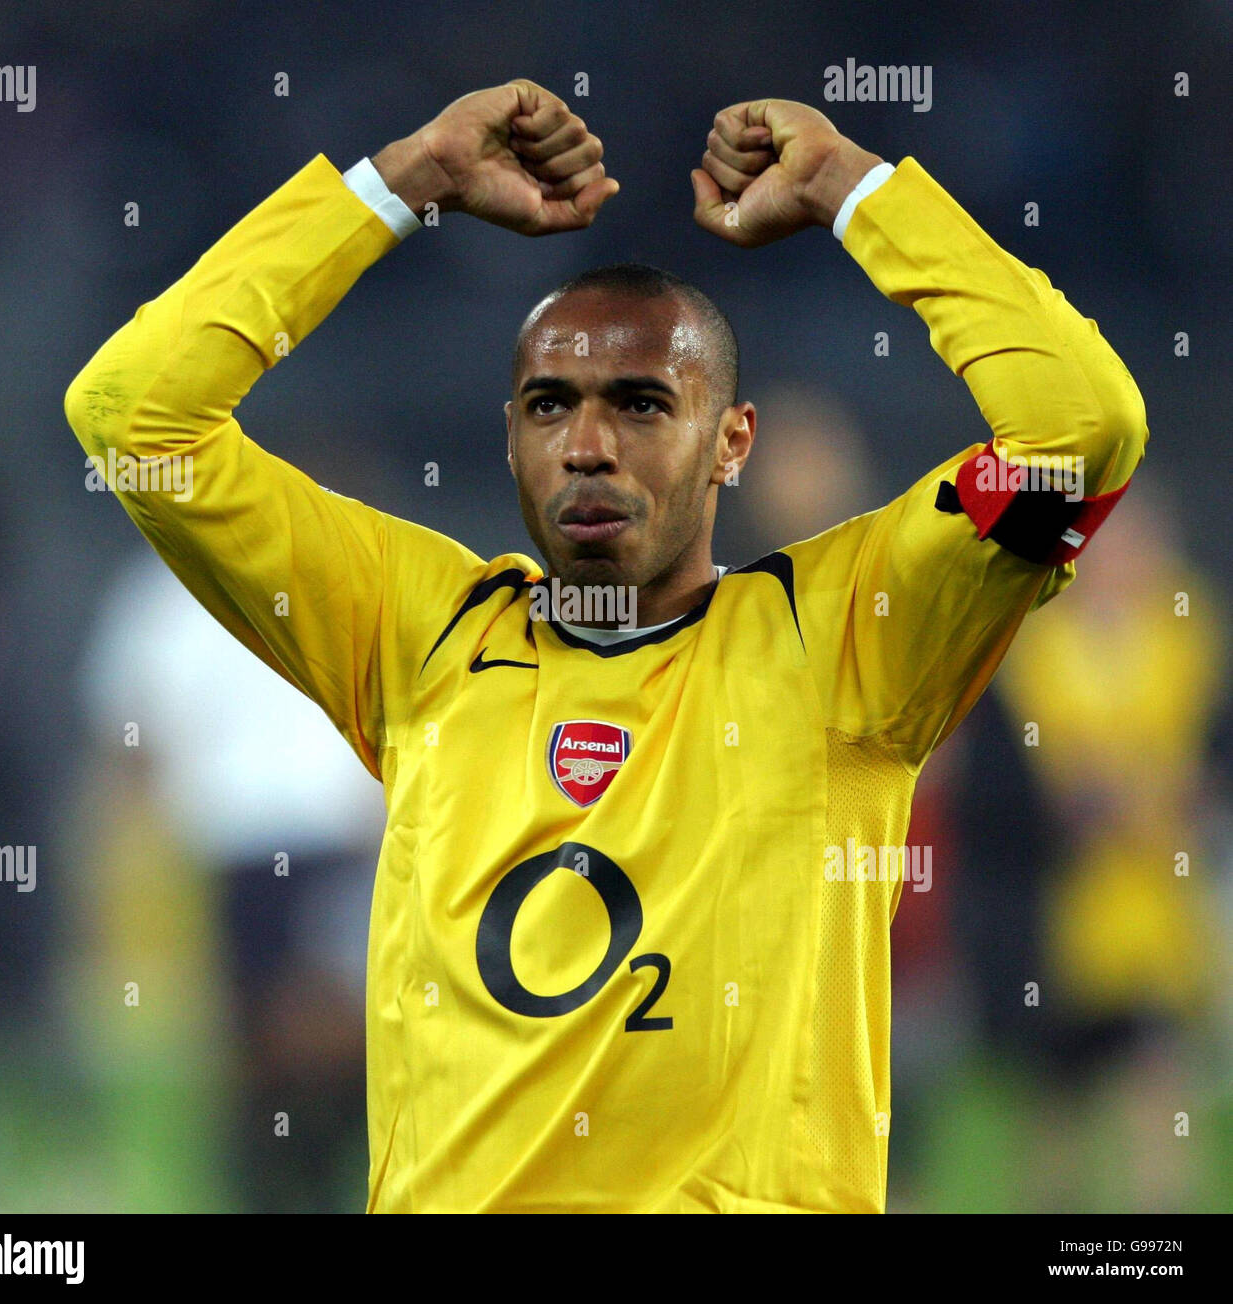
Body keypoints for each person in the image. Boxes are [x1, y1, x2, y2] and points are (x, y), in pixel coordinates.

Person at [64, 79, 1148, 1213]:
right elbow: (132, 413)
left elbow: (1083, 427)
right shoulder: (416, 631)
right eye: (548, 405)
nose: (586, 445)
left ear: (732, 441)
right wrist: (406, 179)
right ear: (508, 434)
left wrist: (849, 190)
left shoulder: (851, 639)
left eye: (639, 404)